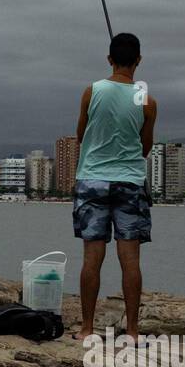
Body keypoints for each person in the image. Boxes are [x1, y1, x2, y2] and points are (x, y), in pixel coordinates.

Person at [71, 32, 156, 341]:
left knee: (92, 258)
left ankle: (87, 329)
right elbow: (145, 147)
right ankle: (132, 332)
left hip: (92, 180)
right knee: (130, 260)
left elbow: (81, 135)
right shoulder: (146, 100)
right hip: (130, 182)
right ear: (138, 61)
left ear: (109, 59)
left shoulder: (91, 92)